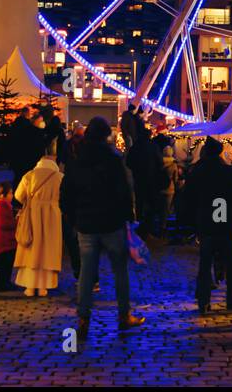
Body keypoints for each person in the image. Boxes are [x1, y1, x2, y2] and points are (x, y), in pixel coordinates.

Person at [60, 116, 145, 337]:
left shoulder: (77, 161)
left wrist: (73, 218)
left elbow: (66, 193)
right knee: (120, 271)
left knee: (87, 273)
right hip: (111, 223)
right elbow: (124, 192)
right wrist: (128, 216)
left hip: (86, 225)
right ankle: (124, 314)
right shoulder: (113, 160)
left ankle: (83, 317)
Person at [180, 136, 232, 313]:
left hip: (205, 221)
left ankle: (204, 299)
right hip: (225, 219)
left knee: (205, 262)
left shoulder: (197, 171)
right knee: (231, 262)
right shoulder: (229, 171)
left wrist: (191, 222)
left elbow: (188, 197)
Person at [13, 136, 64, 297]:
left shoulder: (30, 175)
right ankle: (44, 286)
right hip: (52, 217)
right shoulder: (59, 177)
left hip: (32, 215)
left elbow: (18, 195)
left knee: (31, 248)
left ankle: (29, 286)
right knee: (48, 249)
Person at [0, 184, 19, 295]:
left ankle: (5, 282)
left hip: (2, 239)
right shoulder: (2, 206)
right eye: (10, 193)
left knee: (5, 262)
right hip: (4, 240)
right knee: (4, 263)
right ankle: (2, 285)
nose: (12, 195)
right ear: (3, 195)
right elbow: (3, 223)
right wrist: (16, 221)